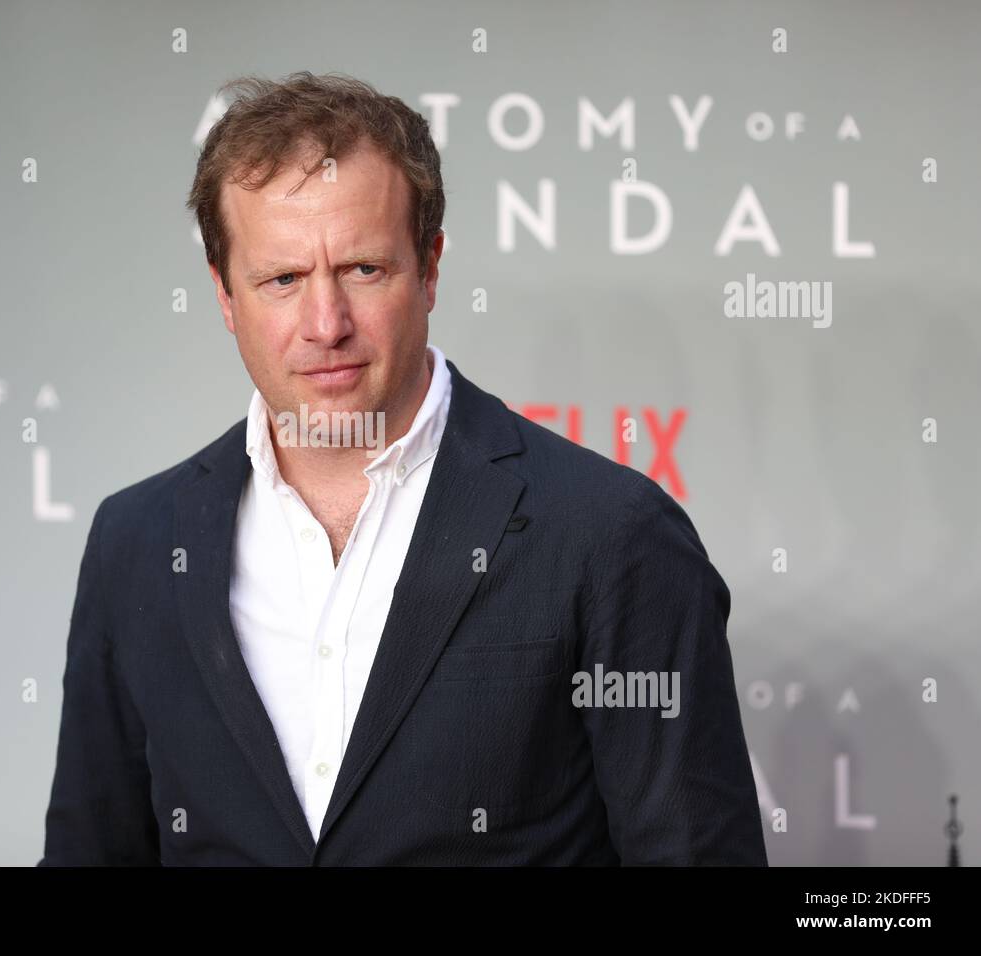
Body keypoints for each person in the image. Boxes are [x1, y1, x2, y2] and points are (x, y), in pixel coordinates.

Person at [40, 71, 766, 865]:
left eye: (362, 270)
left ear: (430, 267)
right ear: (223, 296)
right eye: (282, 280)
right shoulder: (138, 543)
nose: (325, 324)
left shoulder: (608, 534)